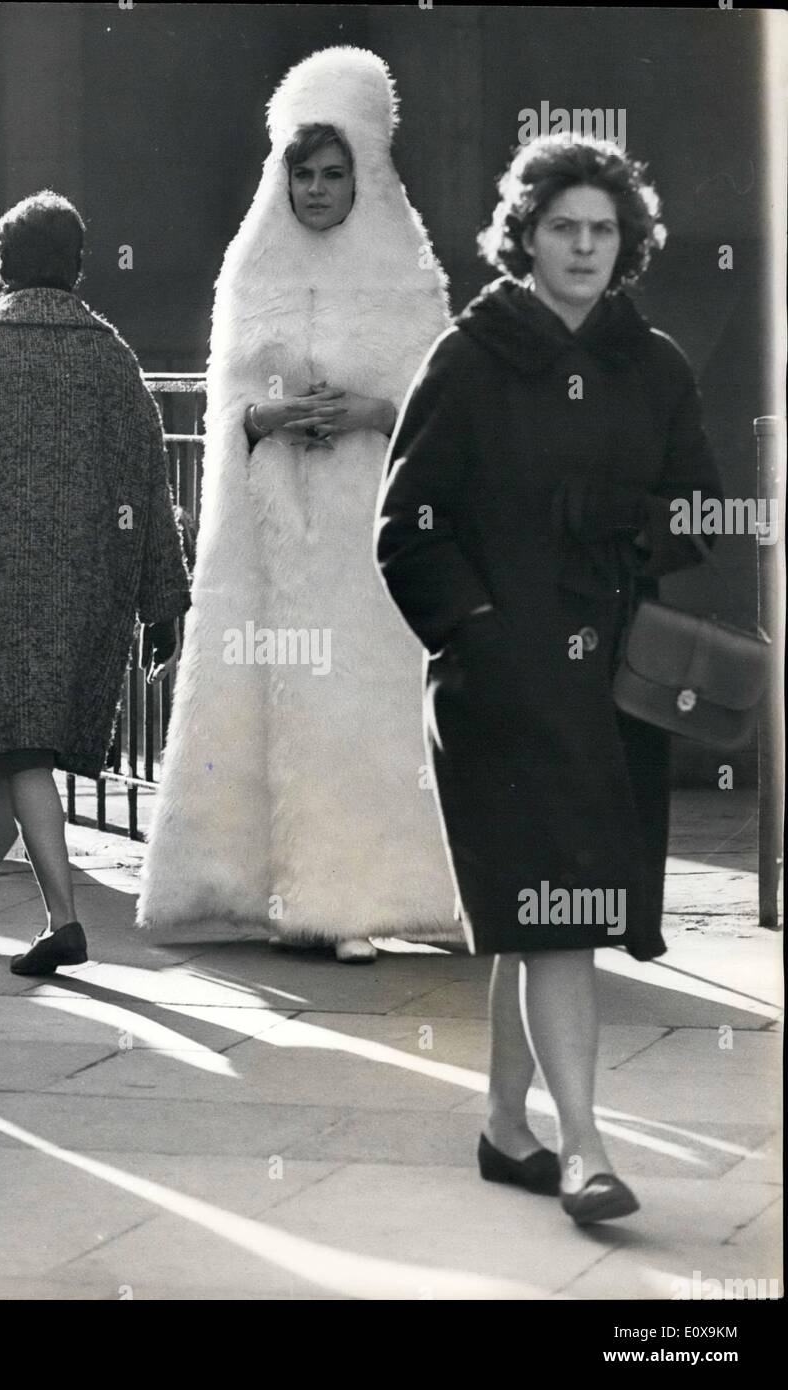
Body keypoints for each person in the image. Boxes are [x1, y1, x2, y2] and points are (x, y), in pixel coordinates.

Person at [376, 134, 724, 1222]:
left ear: (628, 243)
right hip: (498, 689)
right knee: (559, 911)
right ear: (523, 236)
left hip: (611, 686)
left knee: (539, 908)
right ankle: (585, 1151)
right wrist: (476, 630)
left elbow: (700, 513)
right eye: (562, 227)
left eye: (602, 230)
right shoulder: (467, 360)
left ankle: (502, 1127)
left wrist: (628, 524)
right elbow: (406, 528)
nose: (582, 246)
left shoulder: (656, 364)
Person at [137, 46, 459, 961]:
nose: (316, 190)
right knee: (276, 707)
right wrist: (267, 416)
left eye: (333, 173)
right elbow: (222, 414)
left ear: (366, 170)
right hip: (275, 538)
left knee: (364, 714)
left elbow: (438, 413)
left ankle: (359, 901)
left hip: (370, 539)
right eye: (302, 173)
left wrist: (371, 412)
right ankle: (284, 896)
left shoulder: (408, 274)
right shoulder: (250, 269)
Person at [0, 191, 191, 975]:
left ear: (3, 262)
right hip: (82, 596)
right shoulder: (111, 356)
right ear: (78, 267)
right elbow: (149, 481)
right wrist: (162, 601)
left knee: (14, 755)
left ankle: (62, 921)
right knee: (13, 757)